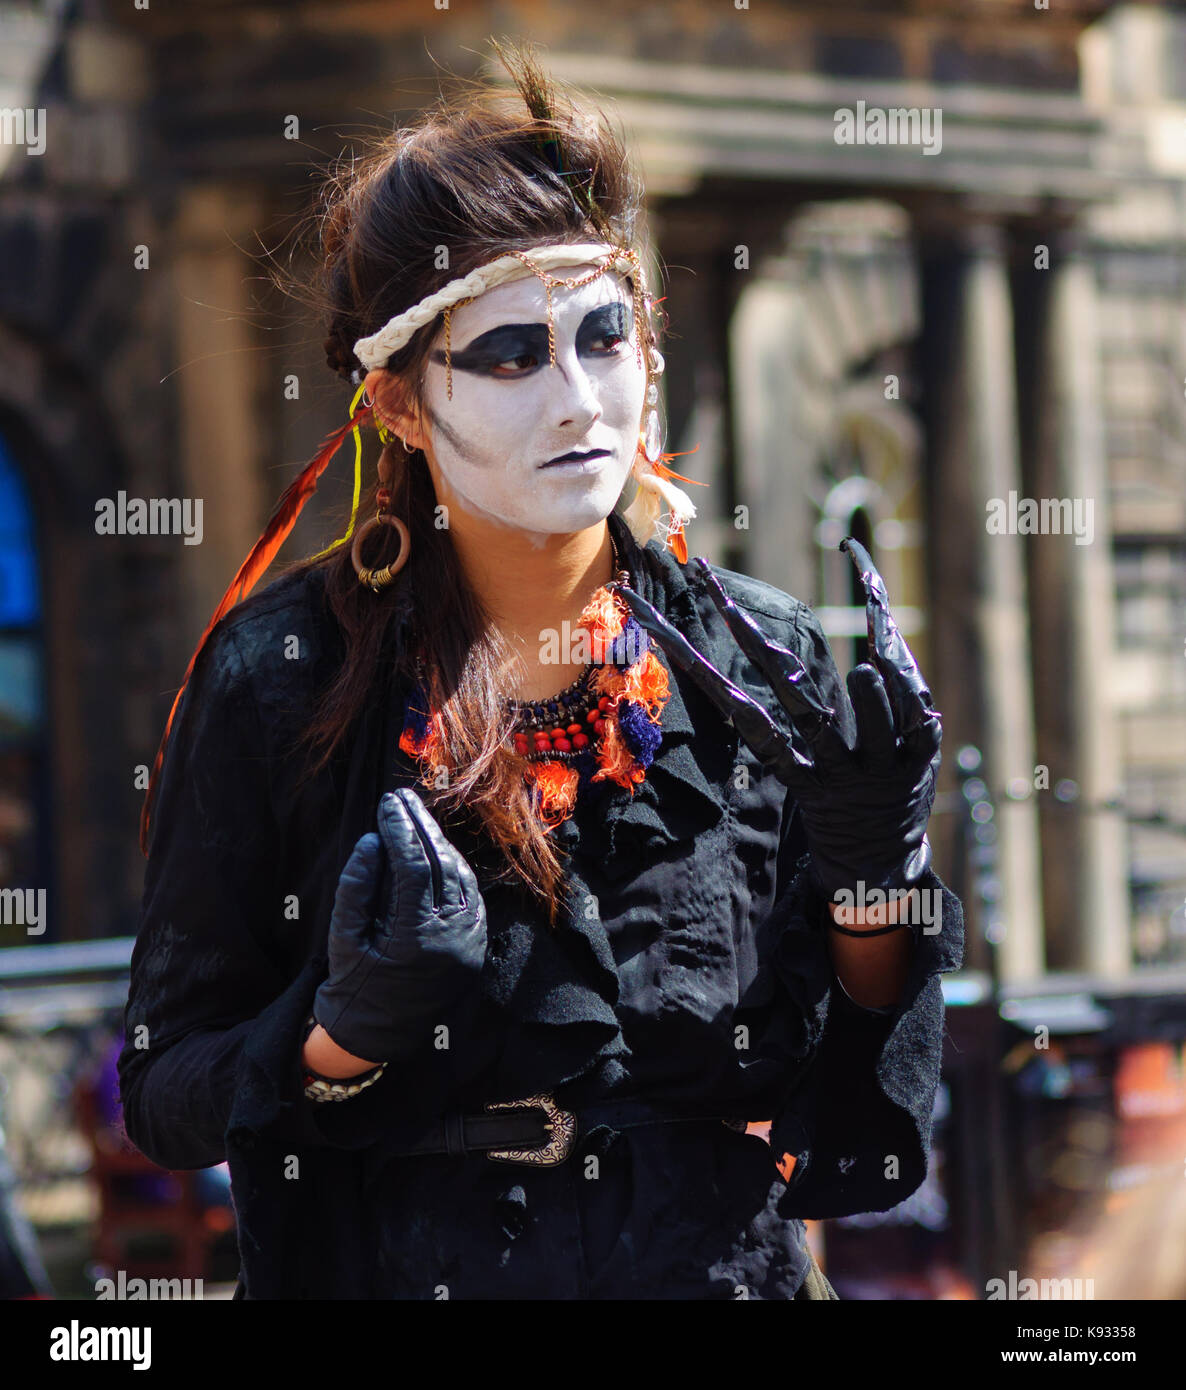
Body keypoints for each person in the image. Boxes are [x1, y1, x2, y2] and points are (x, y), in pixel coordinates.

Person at [118, 41, 963, 1300]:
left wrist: (876, 884)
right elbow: (165, 1085)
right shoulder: (280, 678)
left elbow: (850, 1118)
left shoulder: (762, 657)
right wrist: (343, 1029)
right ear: (401, 406)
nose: (575, 399)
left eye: (602, 336)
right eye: (509, 353)